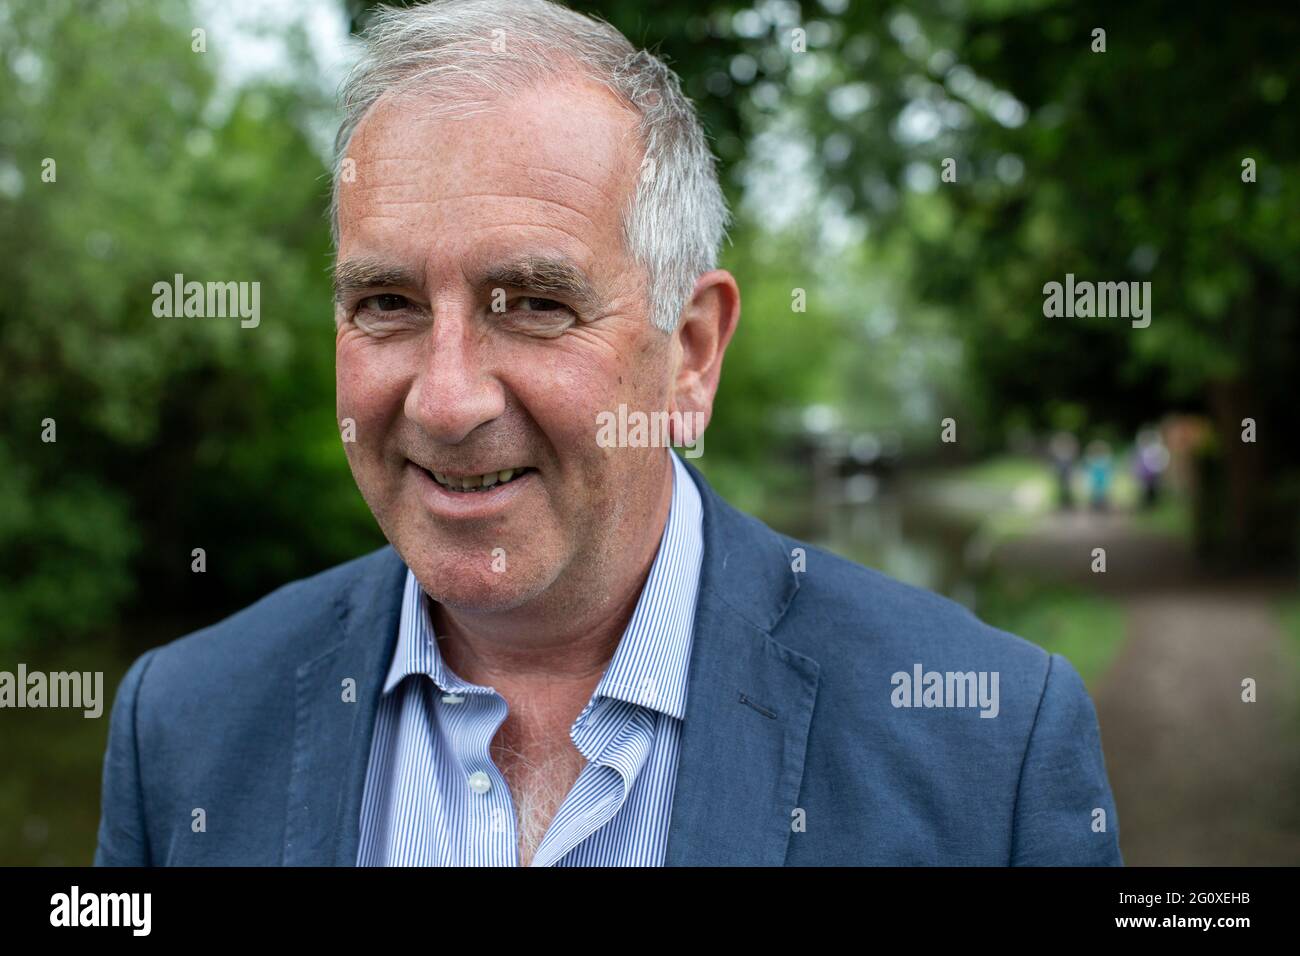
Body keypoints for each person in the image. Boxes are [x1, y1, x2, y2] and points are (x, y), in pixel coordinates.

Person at [94, 0, 1121, 866]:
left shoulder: (989, 747)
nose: (447, 401)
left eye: (534, 302)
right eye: (388, 303)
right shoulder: (181, 724)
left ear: (691, 353)